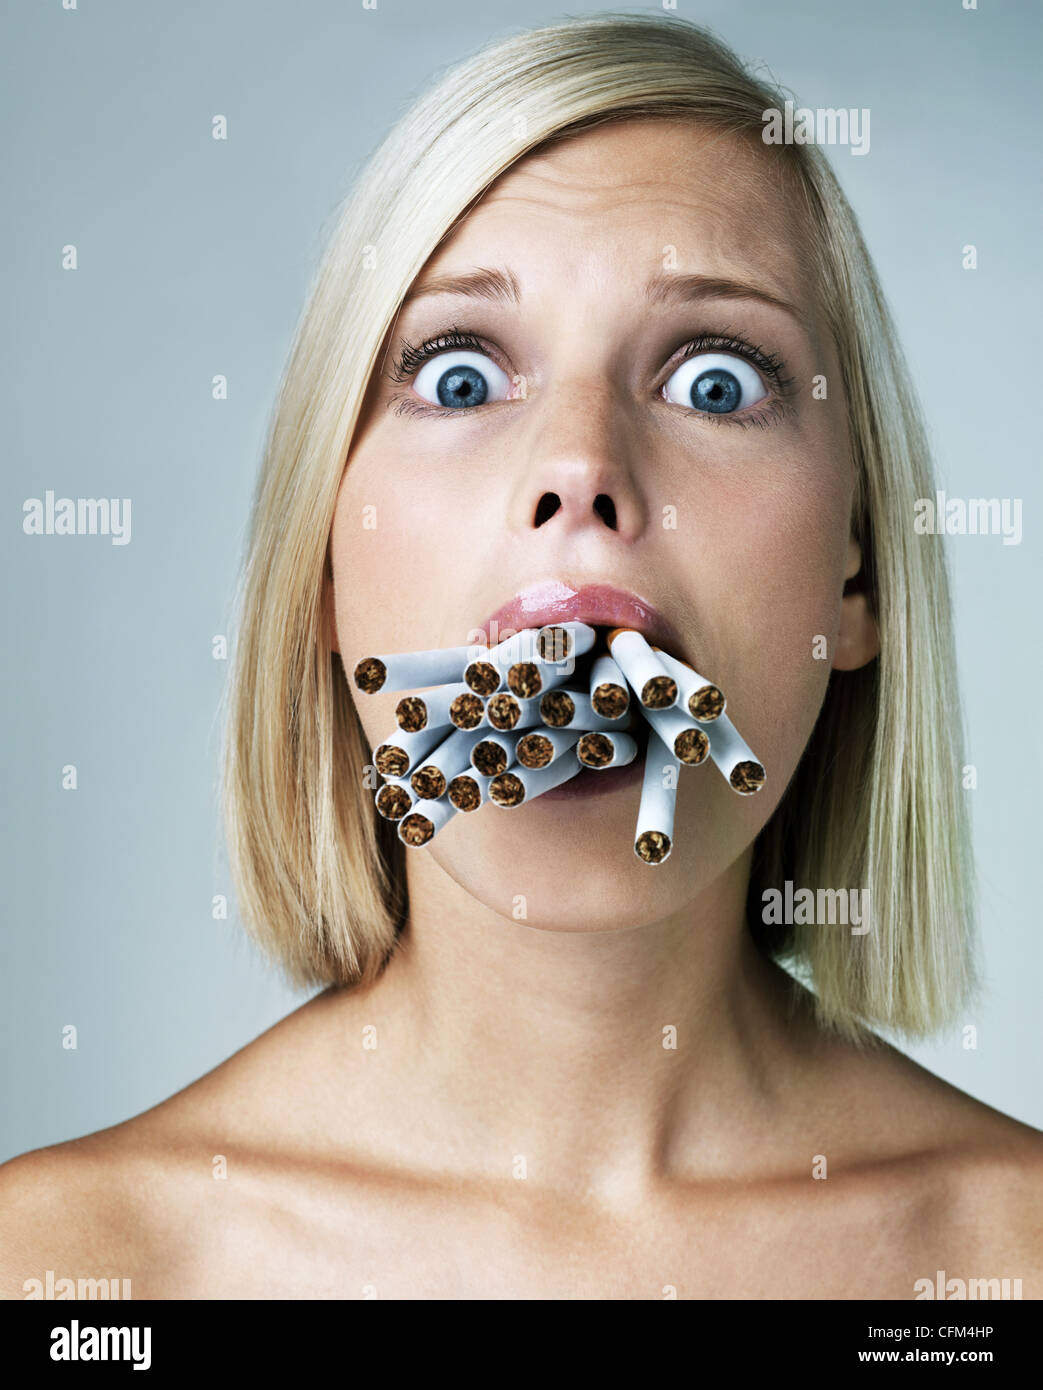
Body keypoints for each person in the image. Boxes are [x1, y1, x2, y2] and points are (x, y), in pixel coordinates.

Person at [2, 13, 1040, 1300]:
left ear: (856, 576)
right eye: (456, 376)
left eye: (714, 381)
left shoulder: (1007, 1266)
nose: (579, 469)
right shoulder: (68, 1274)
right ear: (323, 572)